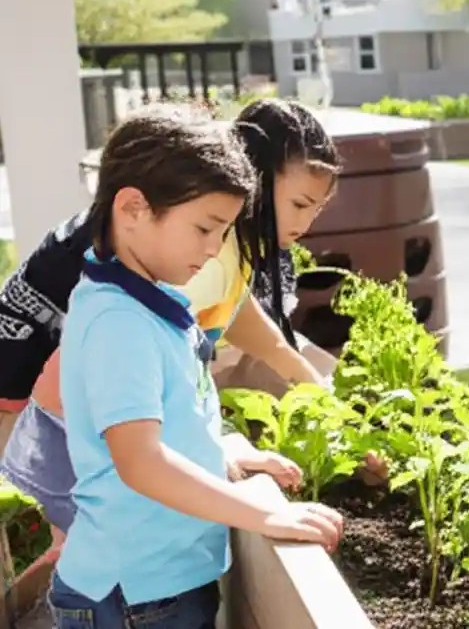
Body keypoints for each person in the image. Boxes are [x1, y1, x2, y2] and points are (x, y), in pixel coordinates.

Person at [47, 103, 342, 629]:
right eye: (206, 229)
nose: (213, 251)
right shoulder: (119, 322)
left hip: (154, 587)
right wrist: (264, 513)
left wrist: (226, 453)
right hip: (135, 596)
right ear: (134, 208)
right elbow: (140, 462)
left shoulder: (150, 303)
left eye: (223, 231)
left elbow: (167, 420)